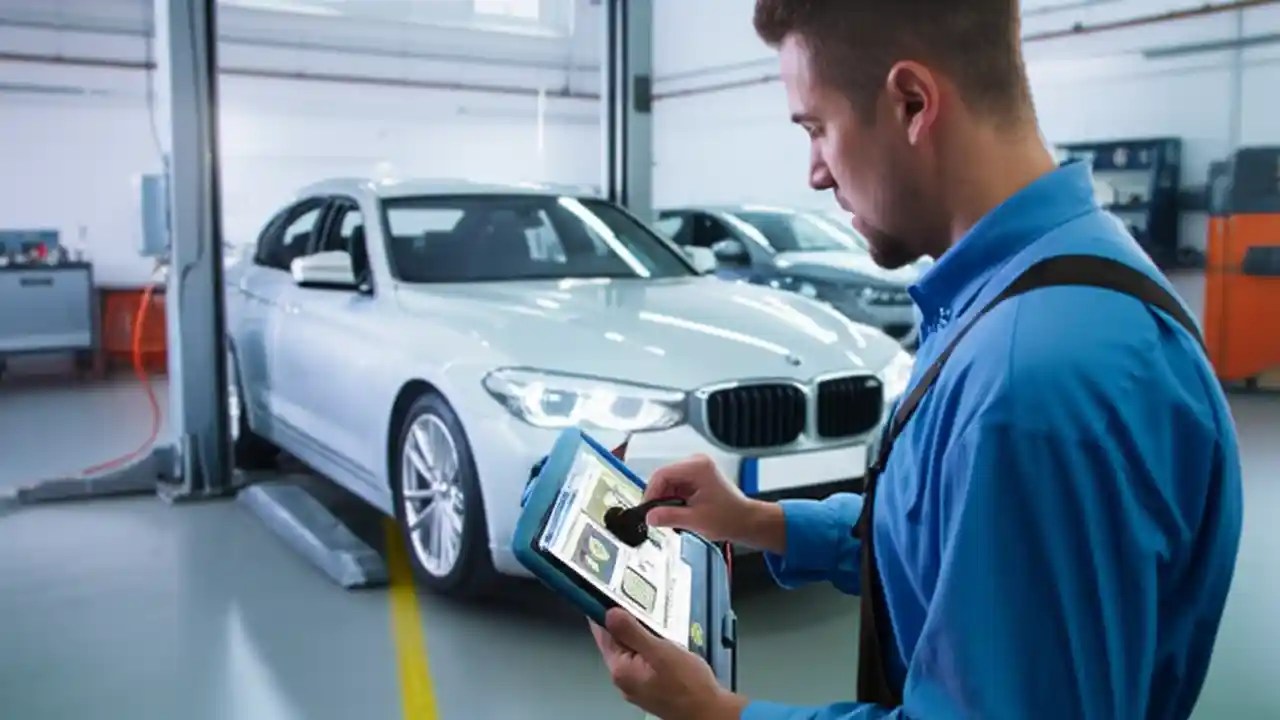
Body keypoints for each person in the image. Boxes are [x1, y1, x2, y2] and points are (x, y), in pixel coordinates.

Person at [588, 1, 1245, 718]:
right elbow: (943, 533)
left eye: (817, 128)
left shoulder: (1031, 381)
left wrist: (715, 713)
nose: (814, 172)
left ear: (911, 103)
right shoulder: (1046, 279)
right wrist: (759, 522)